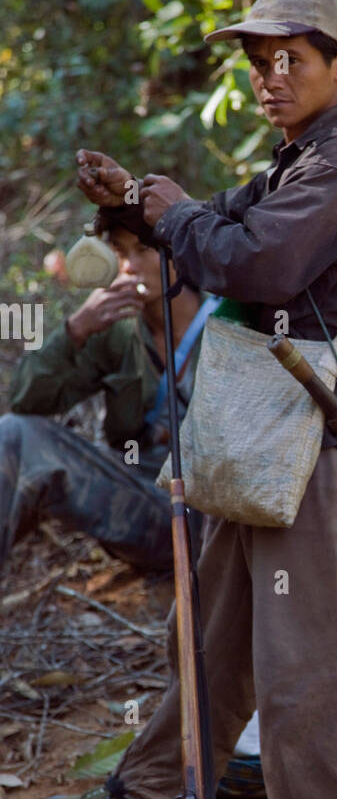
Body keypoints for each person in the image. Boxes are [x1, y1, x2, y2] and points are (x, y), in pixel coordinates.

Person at [43, 0, 337, 799]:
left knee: (312, 663)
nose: (271, 77)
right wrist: (138, 197)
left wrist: (166, 213)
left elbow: (258, 259)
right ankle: (154, 791)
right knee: (215, 635)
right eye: (260, 63)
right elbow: (223, 224)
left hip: (320, 446)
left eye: (292, 58)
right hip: (266, 437)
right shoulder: (300, 157)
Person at [1, 212, 206, 574]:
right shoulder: (117, 330)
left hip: (214, 523)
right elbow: (26, 401)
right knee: (16, 435)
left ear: (180, 251)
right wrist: (76, 329)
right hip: (143, 507)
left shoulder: (232, 320)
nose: (128, 266)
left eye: (144, 250)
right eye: (119, 251)